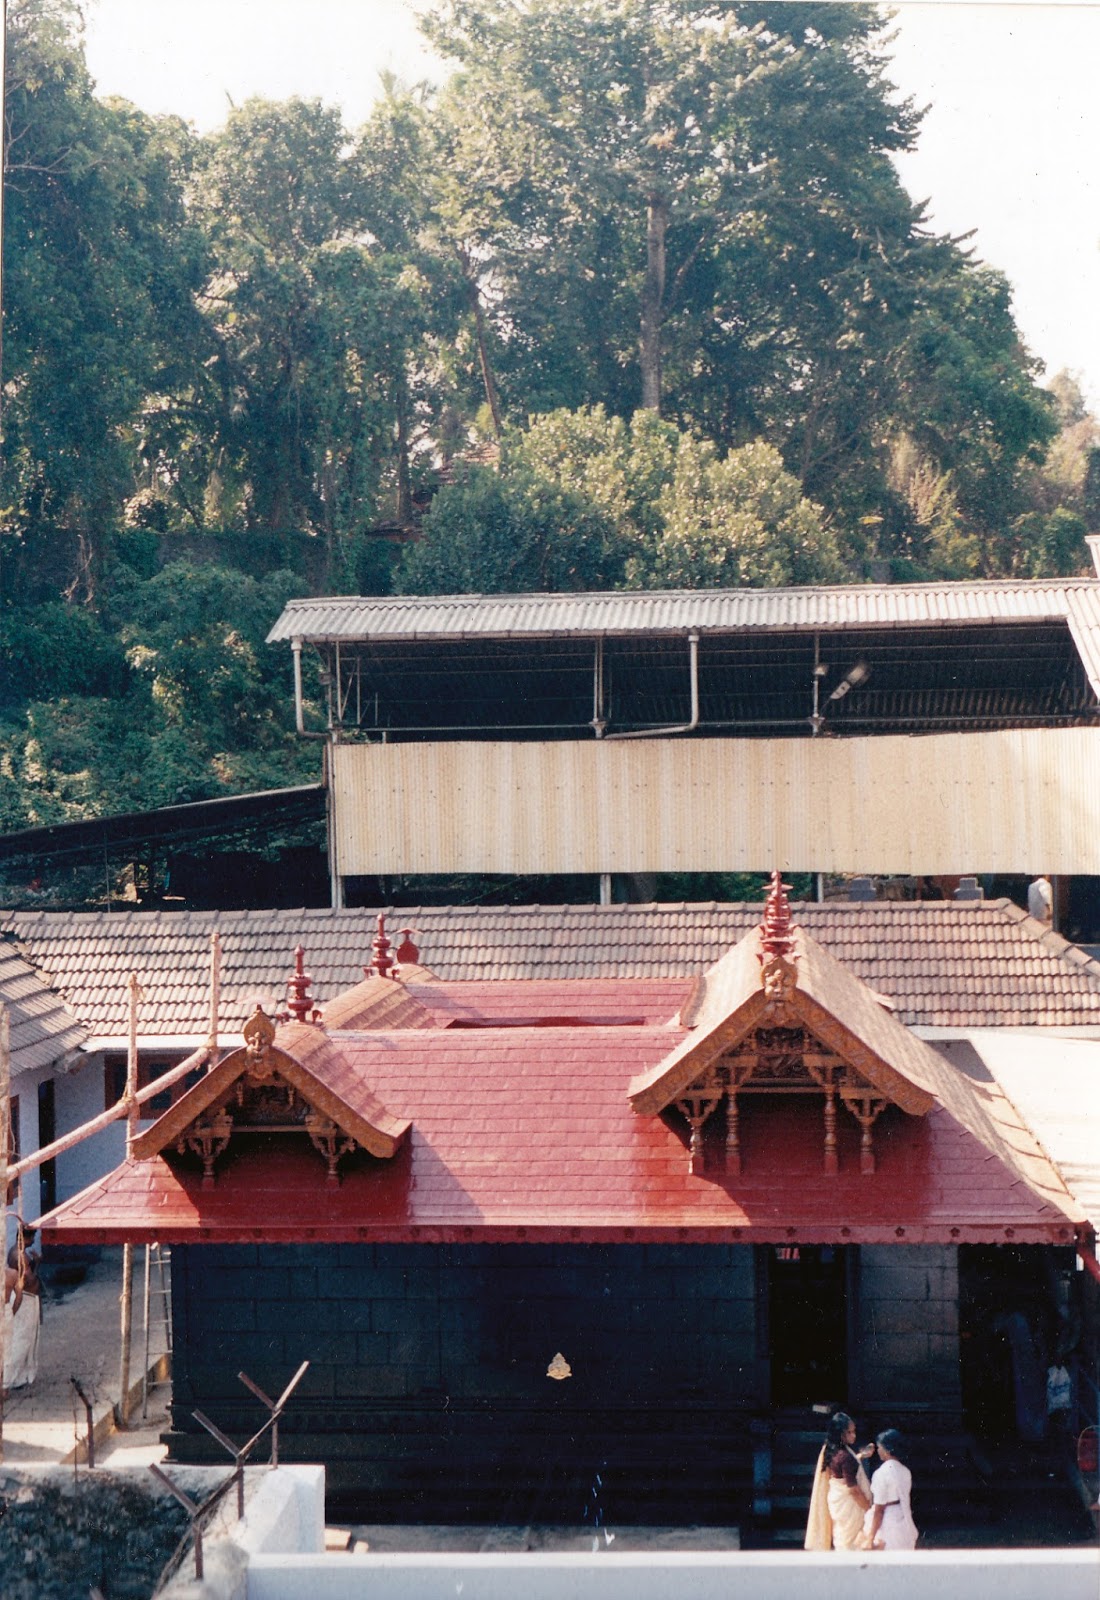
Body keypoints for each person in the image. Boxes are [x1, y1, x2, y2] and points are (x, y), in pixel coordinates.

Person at [804, 1411, 873, 1550]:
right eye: (850, 1432)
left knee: (842, 1540)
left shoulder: (831, 1449)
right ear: (841, 1434)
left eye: (854, 1431)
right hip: (850, 1507)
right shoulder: (845, 1457)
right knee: (851, 1545)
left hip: (838, 1505)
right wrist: (868, 1509)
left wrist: (860, 1456)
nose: (854, 1435)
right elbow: (854, 1490)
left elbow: (843, 1469)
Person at [863, 1428, 918, 1550]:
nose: (878, 1451)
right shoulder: (905, 1471)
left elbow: (879, 1510)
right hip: (903, 1519)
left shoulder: (881, 1473)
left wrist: (870, 1538)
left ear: (887, 1449)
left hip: (887, 1523)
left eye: (879, 1447)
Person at [4, 1227, 41, 1390]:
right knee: (22, 1338)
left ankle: (20, 1376)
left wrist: (36, 1263)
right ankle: (9, 1378)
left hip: (29, 1299)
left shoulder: (20, 1253)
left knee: (29, 1338)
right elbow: (26, 1278)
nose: (34, 1240)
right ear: (27, 1237)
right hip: (24, 1299)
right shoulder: (18, 1255)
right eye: (33, 1237)